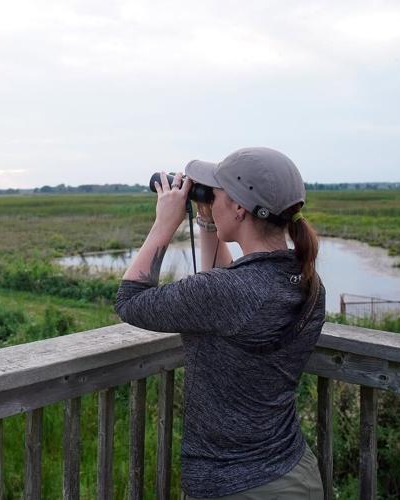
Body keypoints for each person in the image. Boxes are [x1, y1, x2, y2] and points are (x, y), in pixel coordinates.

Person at [115, 147, 325, 499]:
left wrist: (163, 224)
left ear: (239, 208)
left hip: (235, 485)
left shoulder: (230, 292)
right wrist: (209, 222)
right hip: (295, 472)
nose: (211, 198)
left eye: (217, 192)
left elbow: (130, 302)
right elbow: (231, 298)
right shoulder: (306, 280)